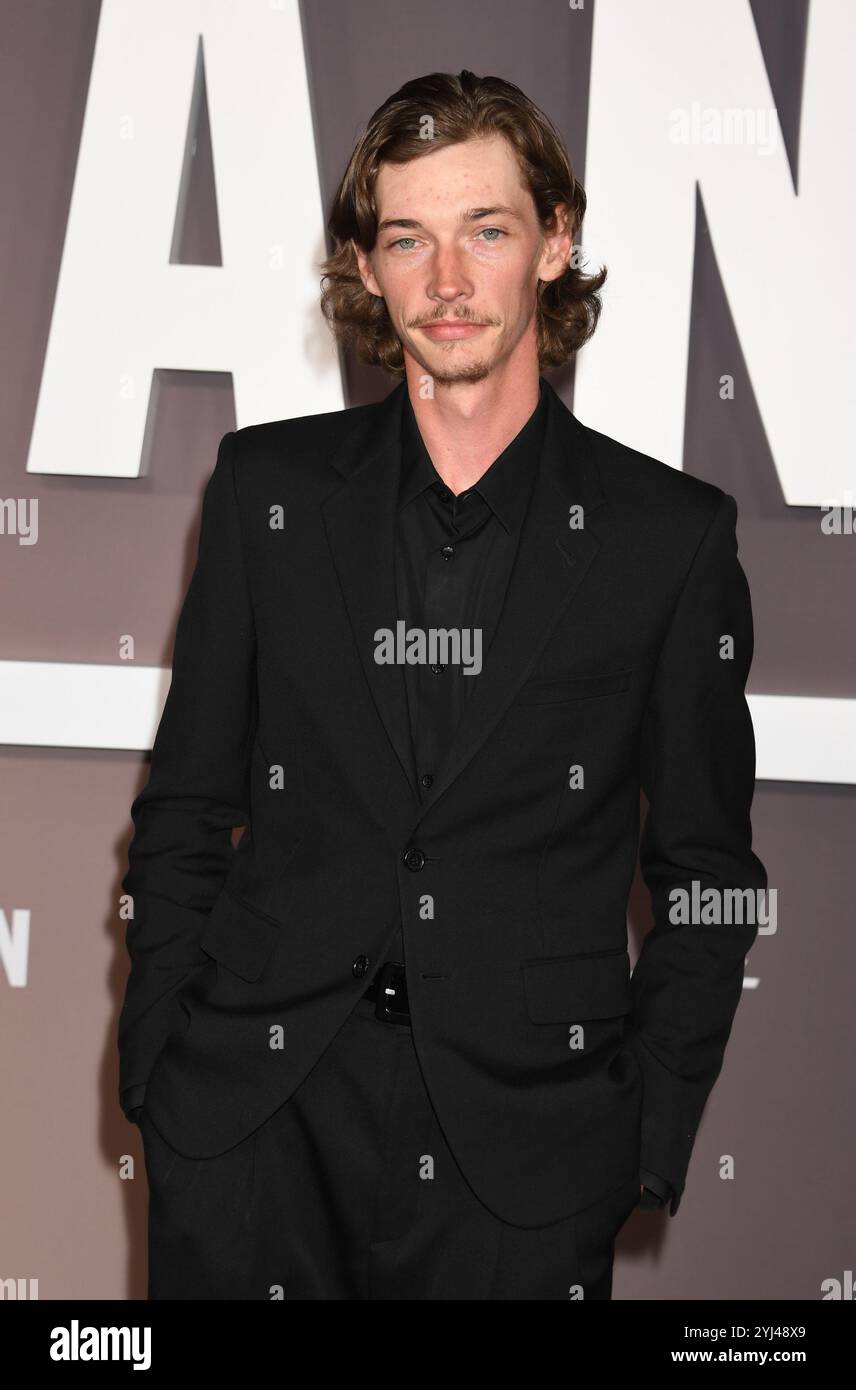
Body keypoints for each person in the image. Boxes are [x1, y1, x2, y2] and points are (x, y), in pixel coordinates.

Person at [118, 69, 767, 1300]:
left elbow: (711, 878)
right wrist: (160, 1070)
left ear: (555, 243)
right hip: (255, 1125)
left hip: (520, 1162)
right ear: (366, 267)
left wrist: (638, 1133)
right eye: (407, 239)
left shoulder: (664, 538)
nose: (449, 282)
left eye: (487, 231)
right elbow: (187, 809)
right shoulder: (267, 495)